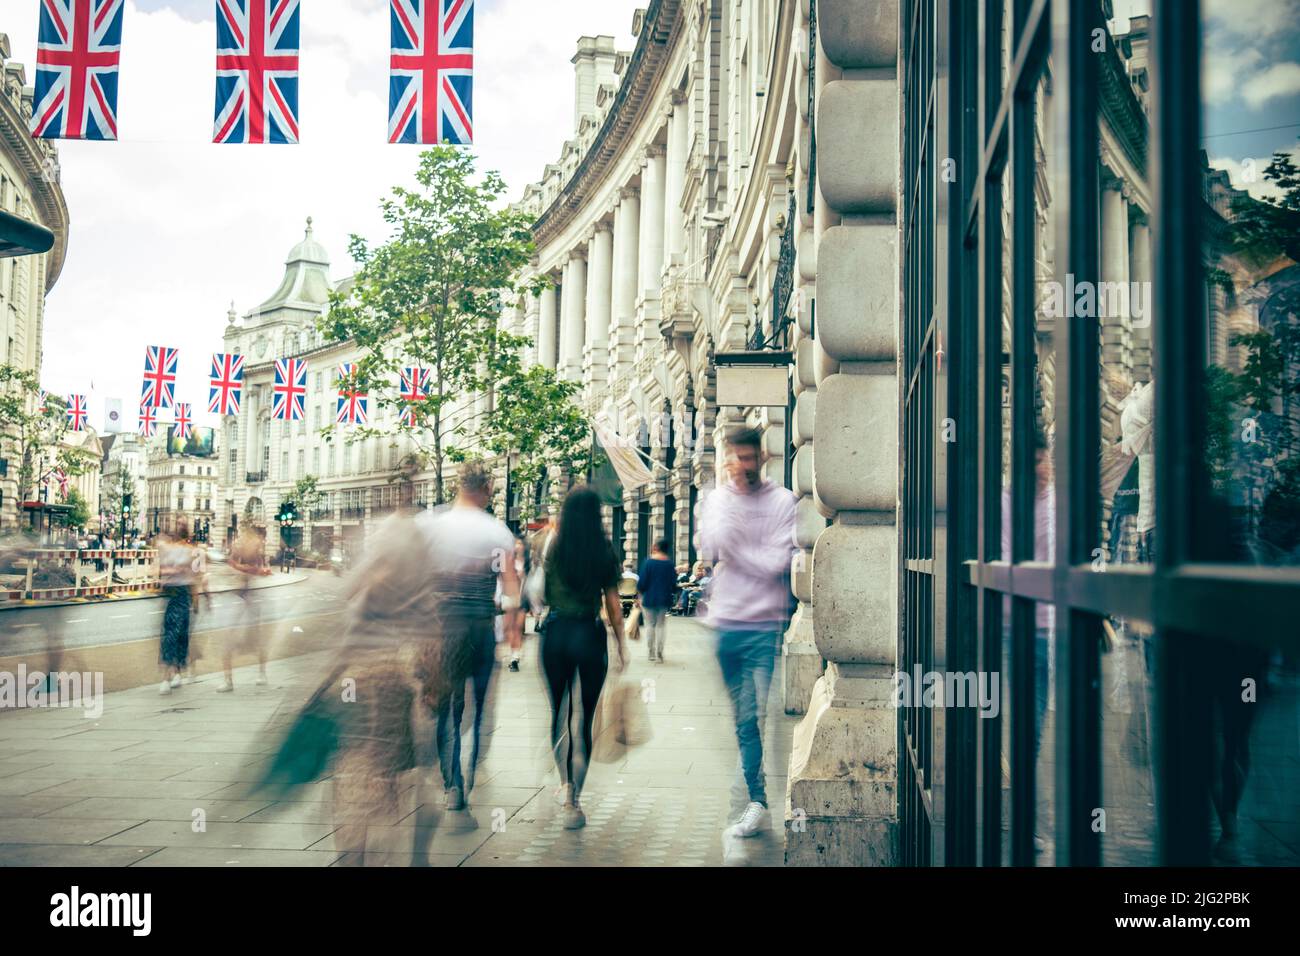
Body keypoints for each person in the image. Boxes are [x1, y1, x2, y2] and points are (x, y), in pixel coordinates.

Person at [698, 427, 796, 839]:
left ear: (762, 456)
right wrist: (732, 537)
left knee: (755, 714)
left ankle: (756, 801)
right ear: (727, 459)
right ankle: (754, 795)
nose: (744, 465)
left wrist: (739, 551)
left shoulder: (783, 500)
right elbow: (709, 548)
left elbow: (778, 562)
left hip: (762, 624)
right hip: (725, 624)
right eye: (736, 458)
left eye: (749, 457)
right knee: (743, 720)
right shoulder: (718, 499)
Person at [417, 460, 521, 811]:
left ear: (458, 486)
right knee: (478, 703)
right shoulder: (498, 532)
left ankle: (452, 784)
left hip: (442, 629)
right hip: (480, 627)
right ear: (487, 489)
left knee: (447, 707)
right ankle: (471, 762)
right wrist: (513, 624)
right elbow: (510, 586)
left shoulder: (431, 526)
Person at [541, 486, 628, 829]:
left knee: (559, 712)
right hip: (590, 636)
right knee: (585, 718)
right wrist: (621, 645)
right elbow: (613, 605)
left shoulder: (555, 546)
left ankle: (564, 785)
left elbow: (542, 591)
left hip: (556, 633)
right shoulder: (603, 550)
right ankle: (575, 800)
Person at [218, 526, 269, 692]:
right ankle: (228, 680)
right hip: (238, 594)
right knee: (227, 636)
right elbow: (233, 564)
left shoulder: (256, 551)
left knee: (256, 636)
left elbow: (258, 569)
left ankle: (261, 673)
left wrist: (240, 568)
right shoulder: (239, 548)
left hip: (250, 595)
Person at [157, 523, 201, 695]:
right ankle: (172, 675)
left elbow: (194, 575)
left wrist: (195, 597)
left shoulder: (188, 551)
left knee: (175, 635)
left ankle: (171, 676)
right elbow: (194, 576)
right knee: (175, 635)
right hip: (178, 595)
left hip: (179, 595)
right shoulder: (183, 550)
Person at [637, 539, 677, 663]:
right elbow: (673, 584)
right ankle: (660, 651)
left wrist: (639, 595)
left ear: (657, 548)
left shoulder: (648, 563)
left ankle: (651, 652)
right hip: (664, 598)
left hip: (649, 598)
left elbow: (642, 583)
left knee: (650, 625)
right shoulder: (670, 564)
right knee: (661, 625)